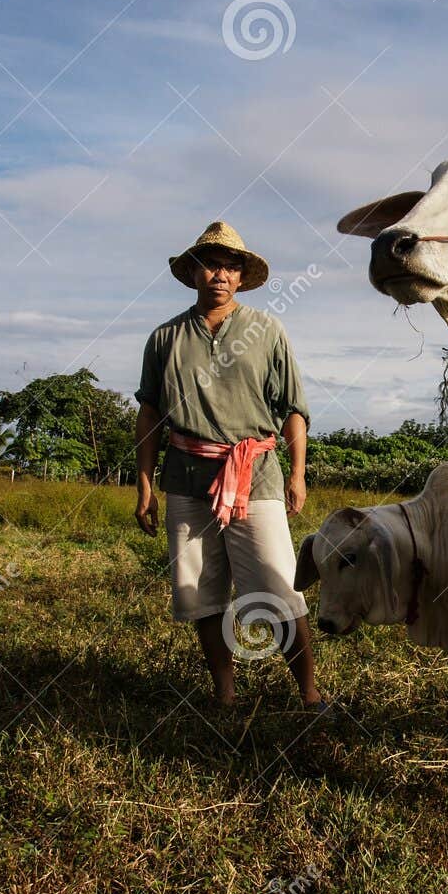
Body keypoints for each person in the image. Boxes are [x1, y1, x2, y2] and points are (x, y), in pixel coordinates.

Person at [133, 221, 323, 710]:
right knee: (200, 590)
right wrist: (144, 485)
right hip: (185, 477)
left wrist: (298, 475)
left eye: (231, 265)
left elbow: (294, 408)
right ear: (194, 271)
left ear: (241, 277)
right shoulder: (165, 338)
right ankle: (225, 694)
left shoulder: (266, 331)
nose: (220, 273)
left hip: (254, 473)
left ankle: (308, 692)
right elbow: (150, 413)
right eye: (211, 263)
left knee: (277, 583)